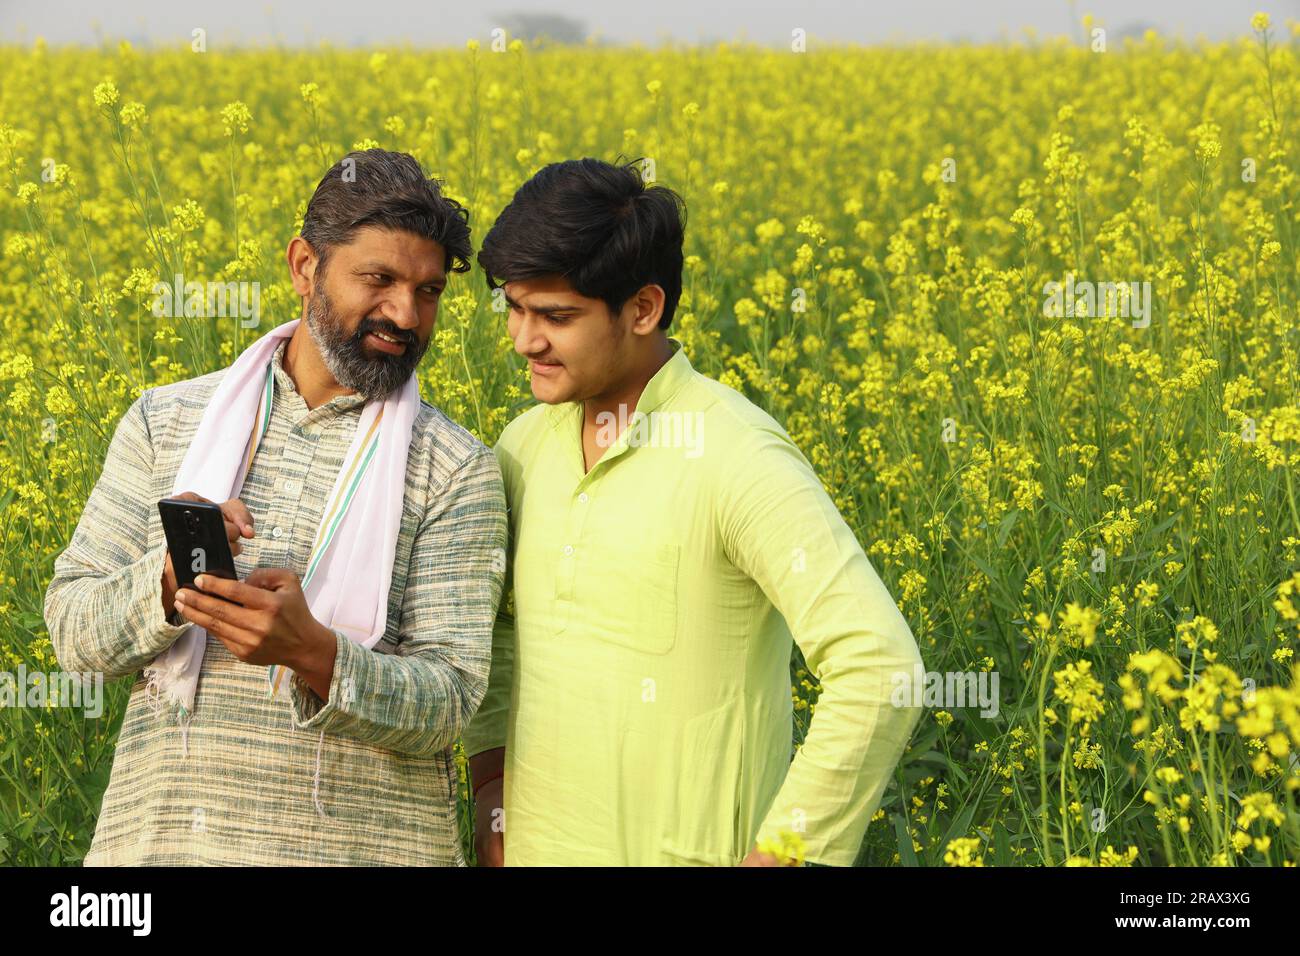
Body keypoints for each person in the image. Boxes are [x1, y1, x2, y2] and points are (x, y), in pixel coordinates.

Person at [44, 148, 506, 865]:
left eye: (429, 291)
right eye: (378, 279)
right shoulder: (164, 422)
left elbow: (449, 701)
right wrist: (165, 581)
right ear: (304, 266)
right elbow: (73, 637)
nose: (405, 315)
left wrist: (313, 653)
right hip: (165, 848)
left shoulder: (456, 469)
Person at [462, 157, 925, 866]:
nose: (524, 340)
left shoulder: (737, 456)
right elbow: (496, 637)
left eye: (556, 316)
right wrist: (492, 793)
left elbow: (879, 668)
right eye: (516, 309)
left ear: (643, 309)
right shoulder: (523, 447)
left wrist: (782, 856)